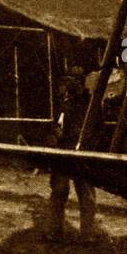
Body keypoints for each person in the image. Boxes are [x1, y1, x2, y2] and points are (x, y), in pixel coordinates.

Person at [47, 65, 98, 242]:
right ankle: (55, 231)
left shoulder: (91, 104)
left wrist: (89, 147)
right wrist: (55, 134)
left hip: (82, 153)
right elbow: (57, 125)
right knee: (59, 191)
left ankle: (87, 234)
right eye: (67, 80)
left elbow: (98, 129)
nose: (69, 84)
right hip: (63, 152)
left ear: (81, 82)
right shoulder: (64, 102)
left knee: (86, 194)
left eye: (73, 80)